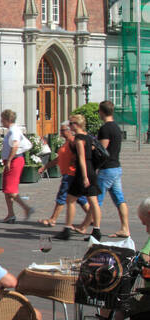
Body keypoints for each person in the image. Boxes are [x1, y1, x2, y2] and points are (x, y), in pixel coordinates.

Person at [61, 112, 101, 240]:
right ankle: (96, 230)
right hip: (92, 170)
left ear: (77, 124)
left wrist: (84, 177)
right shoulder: (89, 137)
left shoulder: (79, 139)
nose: (69, 126)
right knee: (93, 201)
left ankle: (67, 229)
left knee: (70, 199)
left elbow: (82, 158)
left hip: (83, 171)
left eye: (71, 123)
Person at [40, 123, 88, 228]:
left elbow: (80, 155)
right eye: (61, 131)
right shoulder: (67, 143)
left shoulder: (73, 142)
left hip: (70, 174)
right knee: (80, 198)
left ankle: (53, 219)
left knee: (62, 196)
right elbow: (59, 159)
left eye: (63, 131)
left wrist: (75, 164)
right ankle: (91, 216)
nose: (61, 133)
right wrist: (45, 166)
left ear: (69, 130)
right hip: (69, 174)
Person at [95, 100, 129, 238]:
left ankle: (93, 229)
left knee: (96, 200)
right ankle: (125, 228)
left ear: (102, 112)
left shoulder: (105, 129)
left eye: (99, 111)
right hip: (116, 167)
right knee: (119, 199)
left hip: (107, 169)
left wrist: (95, 164)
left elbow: (102, 151)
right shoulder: (116, 127)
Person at [0, 109, 34, 223]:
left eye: (2, 119)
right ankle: (10, 214)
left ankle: (27, 208)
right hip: (10, 161)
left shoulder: (14, 131)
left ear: (7, 119)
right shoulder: (11, 130)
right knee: (6, 189)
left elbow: (15, 146)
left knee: (11, 190)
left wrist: (9, 160)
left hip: (14, 160)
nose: (1, 121)